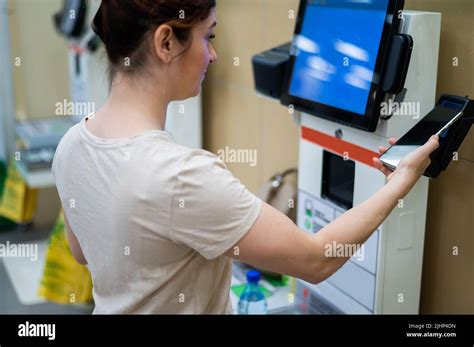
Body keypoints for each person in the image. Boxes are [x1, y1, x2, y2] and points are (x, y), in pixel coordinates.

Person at [52, 0, 440, 314]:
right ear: (166, 42)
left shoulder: (71, 144)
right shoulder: (180, 174)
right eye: (209, 37)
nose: (214, 55)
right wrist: (401, 180)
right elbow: (318, 261)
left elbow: (82, 251)